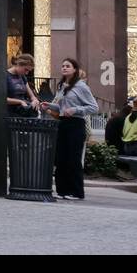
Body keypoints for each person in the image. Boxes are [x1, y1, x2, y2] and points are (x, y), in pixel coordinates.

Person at [40, 57, 98, 200]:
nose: (65, 68)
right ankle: (62, 190)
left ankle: (76, 192)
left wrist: (75, 110)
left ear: (75, 69)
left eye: (68, 66)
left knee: (73, 158)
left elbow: (94, 107)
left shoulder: (81, 86)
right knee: (61, 158)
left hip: (76, 124)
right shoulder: (62, 86)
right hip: (63, 123)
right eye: (63, 66)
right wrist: (49, 105)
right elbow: (61, 107)